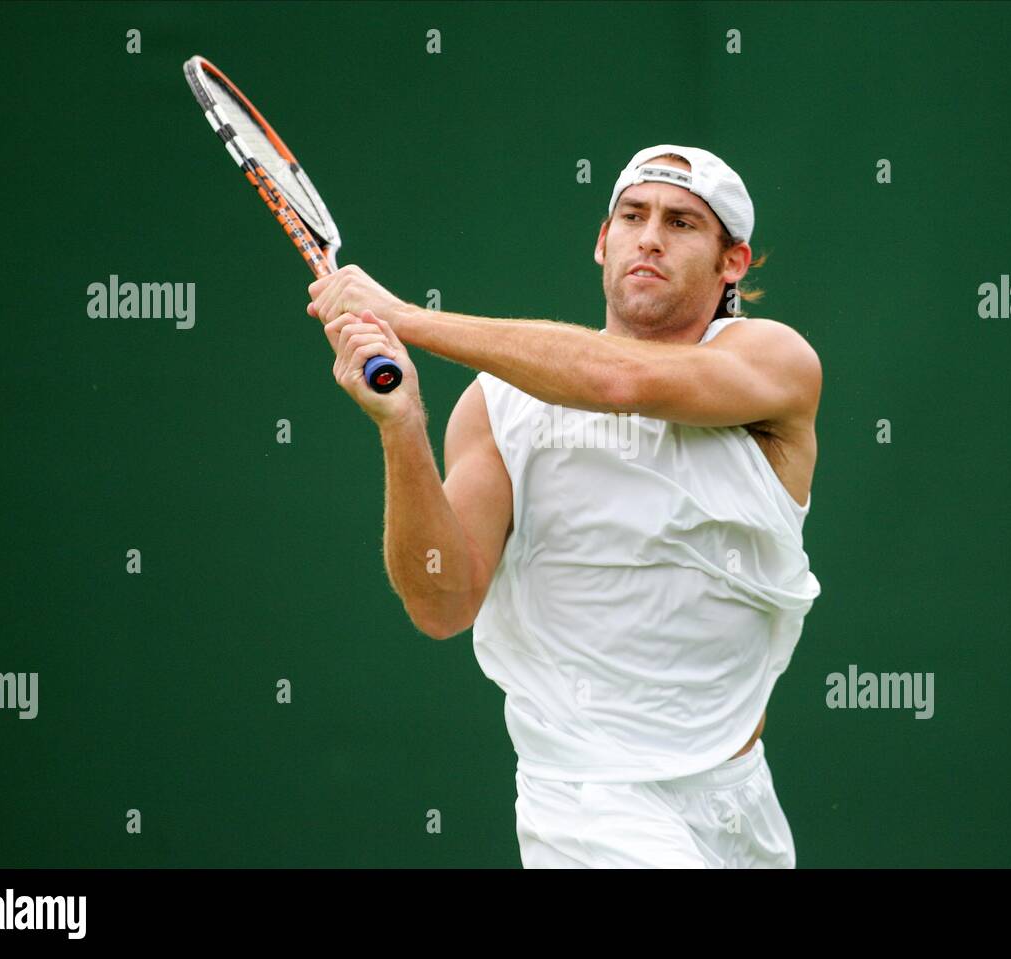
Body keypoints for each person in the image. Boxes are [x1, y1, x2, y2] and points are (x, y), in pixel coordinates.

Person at [306, 144, 822, 868]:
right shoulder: (494, 408)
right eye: (632, 216)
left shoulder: (774, 361)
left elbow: (617, 381)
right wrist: (403, 429)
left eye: (681, 223)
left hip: (739, 797)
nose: (649, 236)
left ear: (731, 262)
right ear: (602, 241)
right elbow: (442, 604)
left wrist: (406, 319)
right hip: (587, 801)